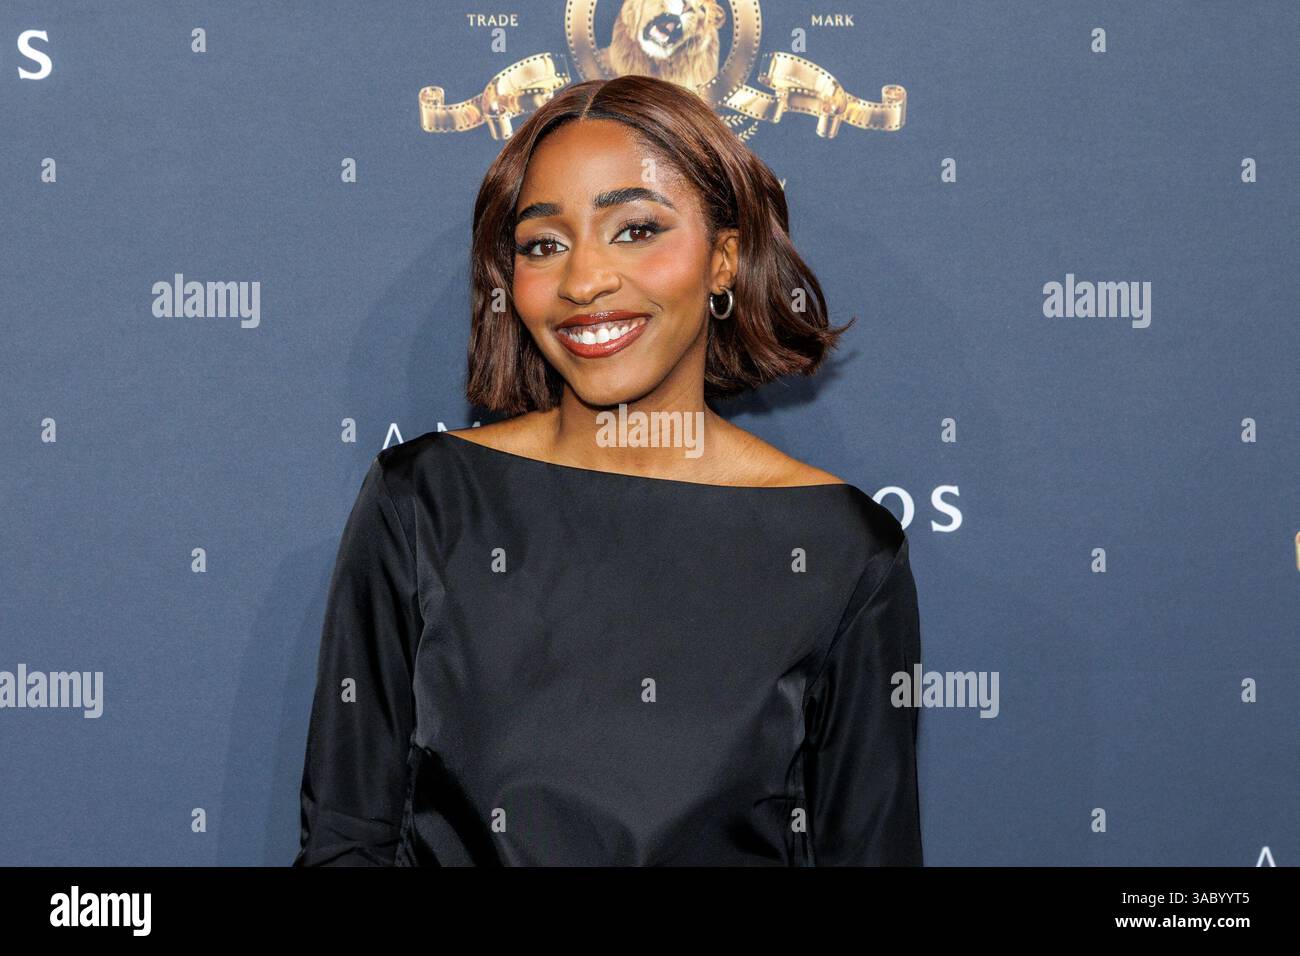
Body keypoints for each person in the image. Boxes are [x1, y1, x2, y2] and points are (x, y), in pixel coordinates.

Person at [293, 74, 923, 866]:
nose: (584, 281)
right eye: (543, 244)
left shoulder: (843, 550)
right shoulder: (424, 504)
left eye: (634, 229)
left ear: (724, 258)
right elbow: (347, 843)